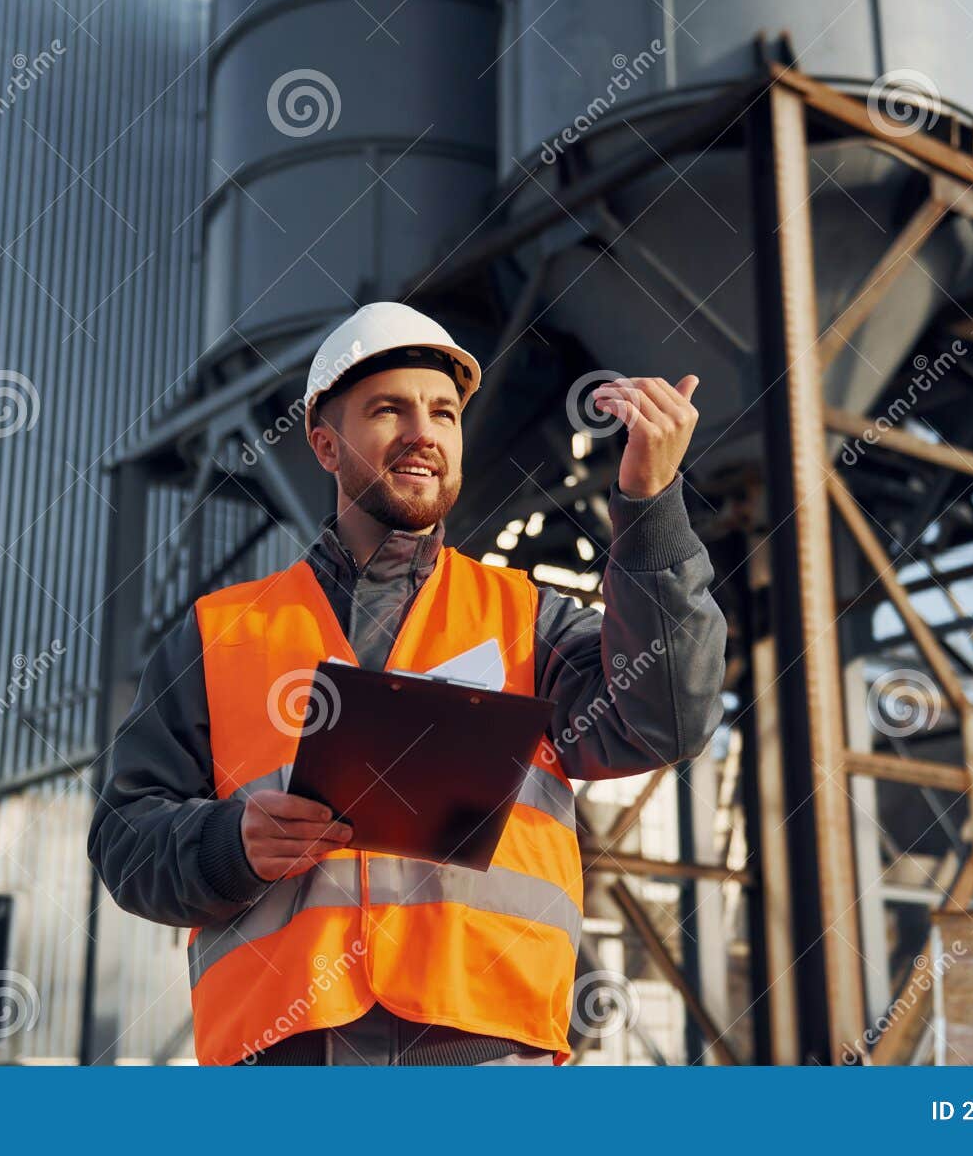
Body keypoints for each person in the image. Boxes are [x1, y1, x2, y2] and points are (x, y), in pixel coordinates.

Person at [87, 300, 728, 1065]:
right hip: (286, 1060)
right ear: (325, 446)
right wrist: (229, 843)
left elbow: (666, 718)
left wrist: (652, 508)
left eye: (445, 413)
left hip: (482, 1053)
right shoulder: (218, 633)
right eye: (389, 410)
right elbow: (124, 838)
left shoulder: (528, 620)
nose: (424, 433)